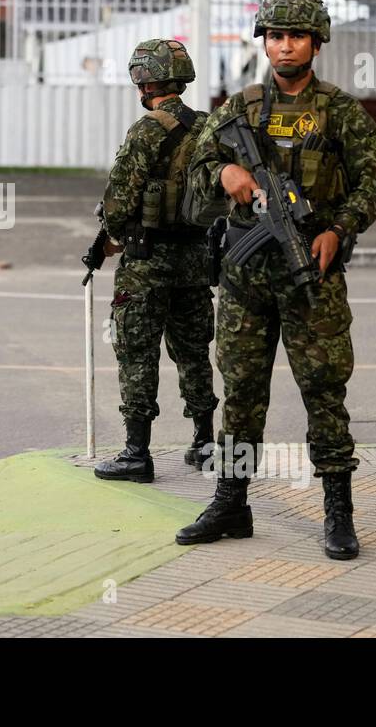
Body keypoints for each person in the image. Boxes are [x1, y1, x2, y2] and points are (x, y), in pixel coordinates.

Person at [178, 0, 376, 560]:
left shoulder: (341, 111)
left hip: (310, 277)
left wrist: (337, 231)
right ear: (263, 42)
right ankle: (231, 501)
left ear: (316, 42)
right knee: (241, 392)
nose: (284, 45)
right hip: (246, 282)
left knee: (323, 390)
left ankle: (338, 509)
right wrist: (226, 176)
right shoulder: (239, 108)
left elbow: (371, 182)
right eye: (274, 35)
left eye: (295, 35)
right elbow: (196, 171)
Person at [93, 39, 217, 483]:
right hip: (196, 258)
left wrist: (107, 238)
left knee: (137, 354)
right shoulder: (207, 126)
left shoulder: (146, 130)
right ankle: (206, 442)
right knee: (193, 352)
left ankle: (136, 453)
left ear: (146, 78)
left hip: (146, 261)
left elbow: (118, 204)